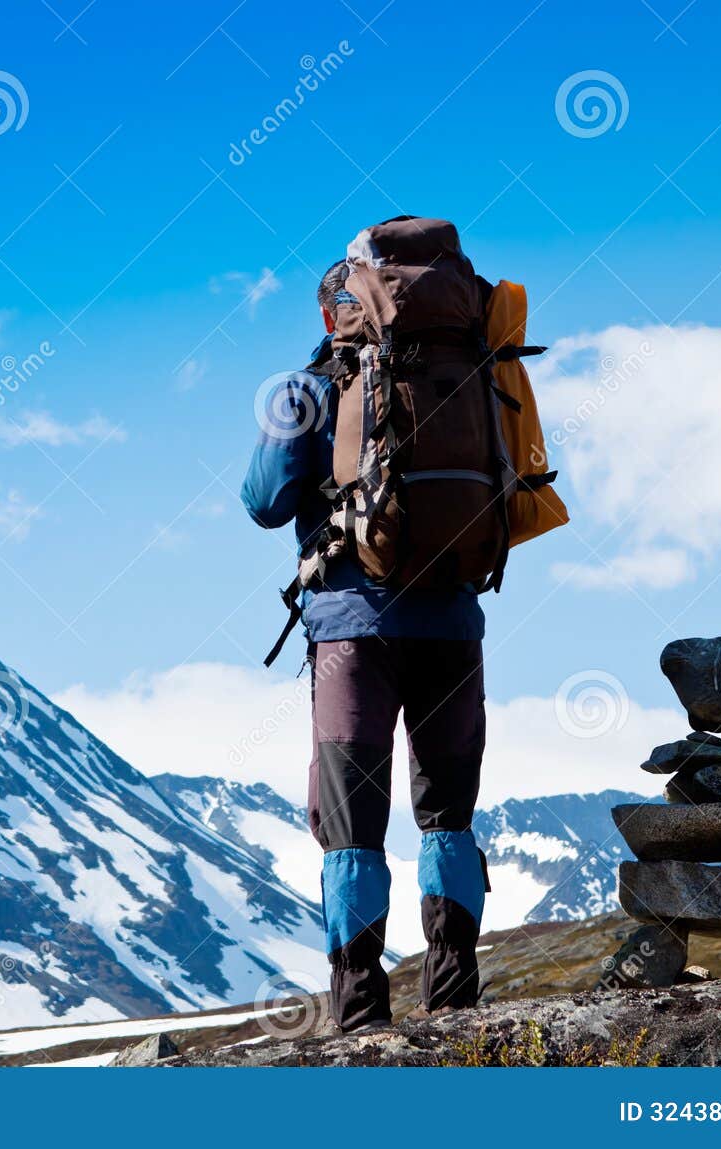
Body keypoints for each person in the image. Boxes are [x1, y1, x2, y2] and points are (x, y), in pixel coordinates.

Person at [240, 260, 490, 1030]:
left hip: (353, 629)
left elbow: (262, 501)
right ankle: (452, 997)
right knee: (447, 813)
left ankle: (357, 1011)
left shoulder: (306, 390)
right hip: (452, 620)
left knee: (354, 824)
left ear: (331, 317)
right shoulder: (467, 372)